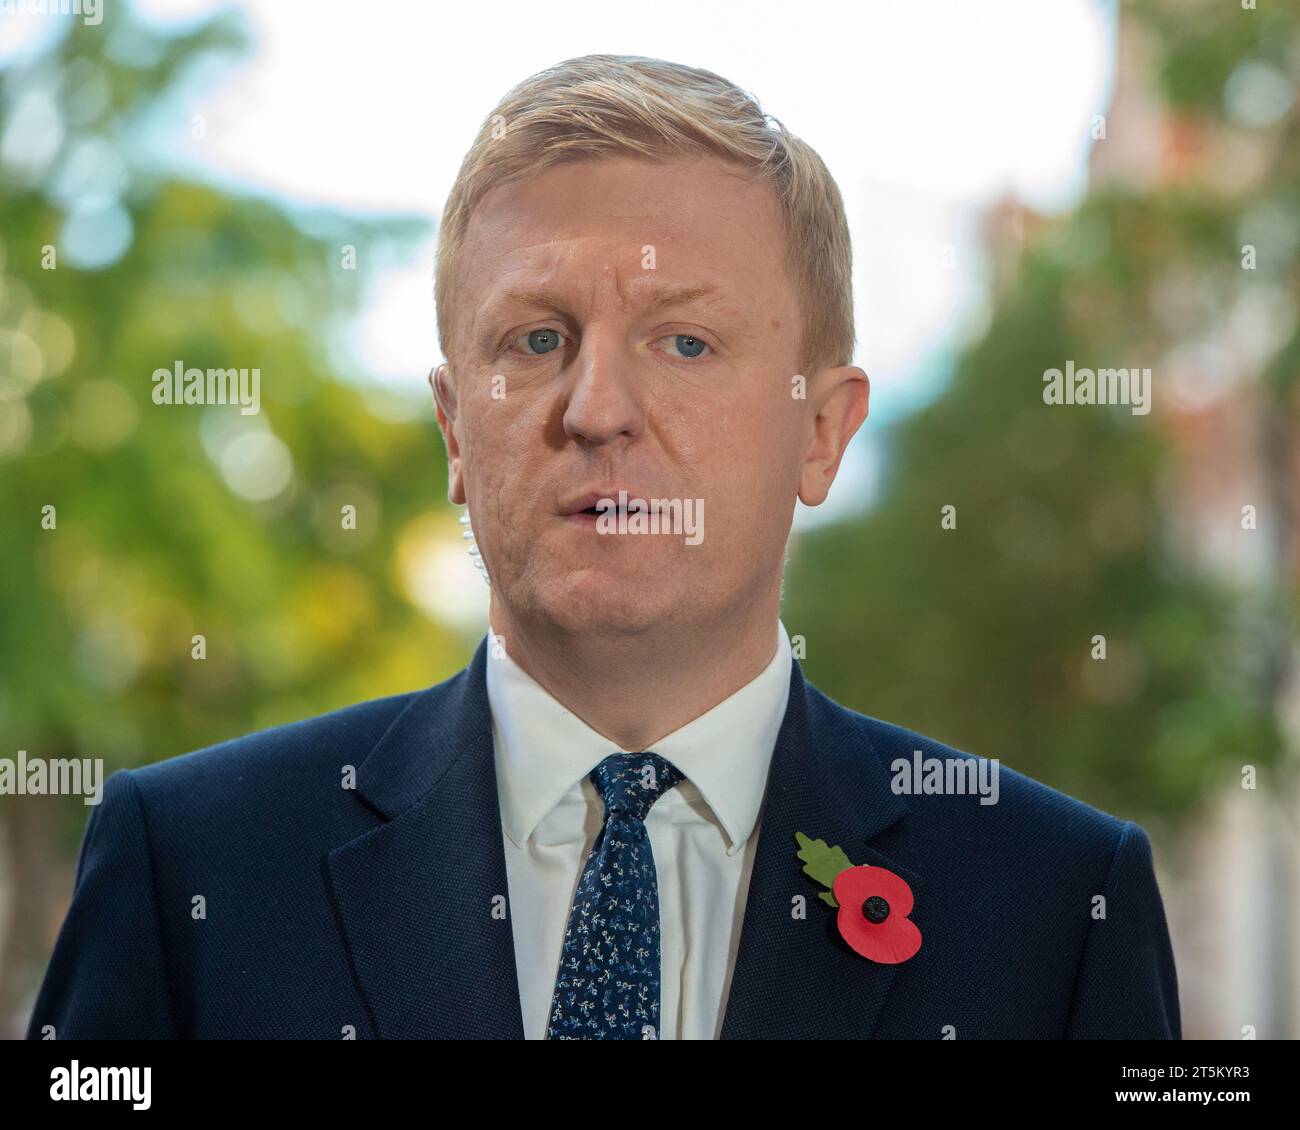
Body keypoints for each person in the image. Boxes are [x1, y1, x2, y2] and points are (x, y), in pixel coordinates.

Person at [27, 54, 1179, 1040]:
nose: (596, 408)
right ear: (454, 433)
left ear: (820, 432)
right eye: (535, 337)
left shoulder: (1055, 905)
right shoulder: (193, 866)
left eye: (683, 340)